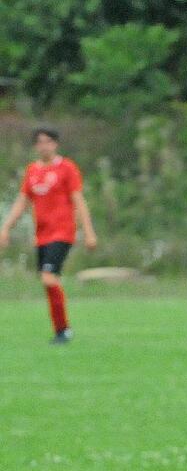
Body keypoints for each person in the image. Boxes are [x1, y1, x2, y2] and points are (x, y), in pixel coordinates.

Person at [0, 125, 97, 344]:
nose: (44, 146)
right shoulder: (32, 171)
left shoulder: (67, 168)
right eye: (40, 142)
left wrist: (89, 232)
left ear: (55, 144)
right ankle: (60, 330)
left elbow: (78, 201)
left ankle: (63, 330)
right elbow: (22, 202)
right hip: (42, 235)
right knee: (47, 281)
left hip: (62, 232)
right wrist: (6, 228)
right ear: (36, 146)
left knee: (48, 278)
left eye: (48, 141)